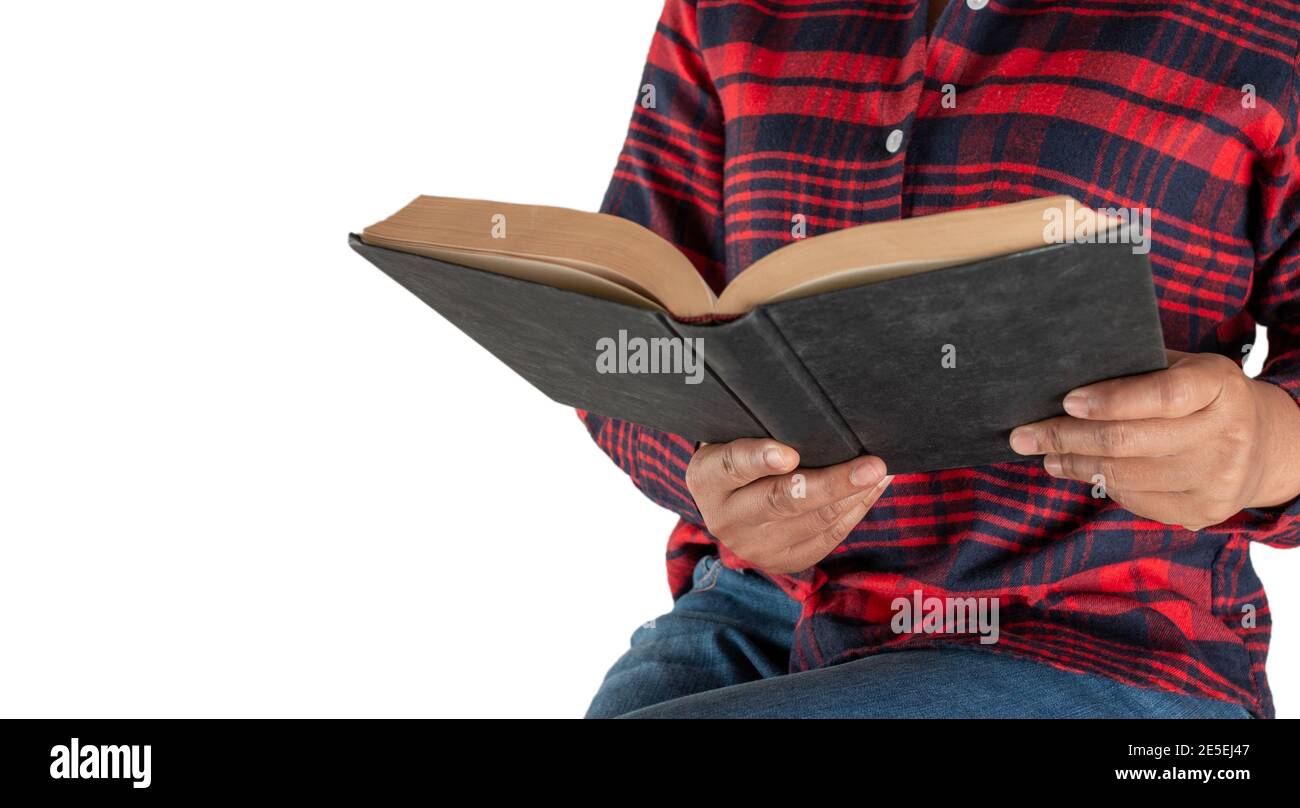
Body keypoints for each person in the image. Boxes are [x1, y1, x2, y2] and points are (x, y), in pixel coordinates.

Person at [579, 0, 1300, 718]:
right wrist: (709, 472)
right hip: (759, 605)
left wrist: (1264, 448)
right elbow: (624, 332)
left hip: (1103, 635)